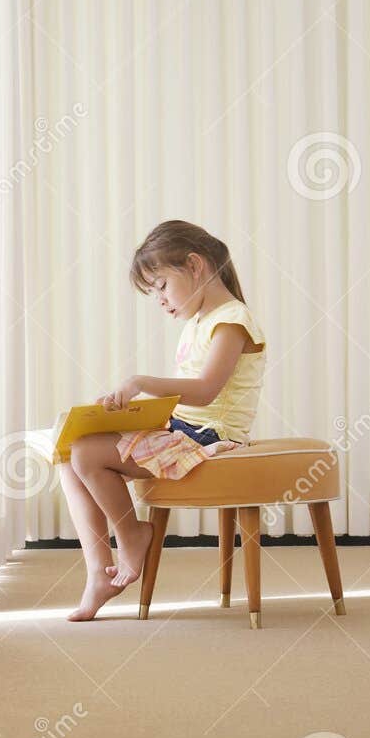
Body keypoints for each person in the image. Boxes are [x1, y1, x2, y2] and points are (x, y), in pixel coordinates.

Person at [61, 220, 266, 622]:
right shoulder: (200, 322)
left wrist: (140, 383)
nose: (160, 300)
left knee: (86, 453)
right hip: (182, 429)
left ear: (195, 266)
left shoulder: (232, 321)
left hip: (208, 437)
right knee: (69, 451)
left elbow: (206, 391)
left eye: (160, 287)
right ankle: (97, 572)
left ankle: (132, 535)